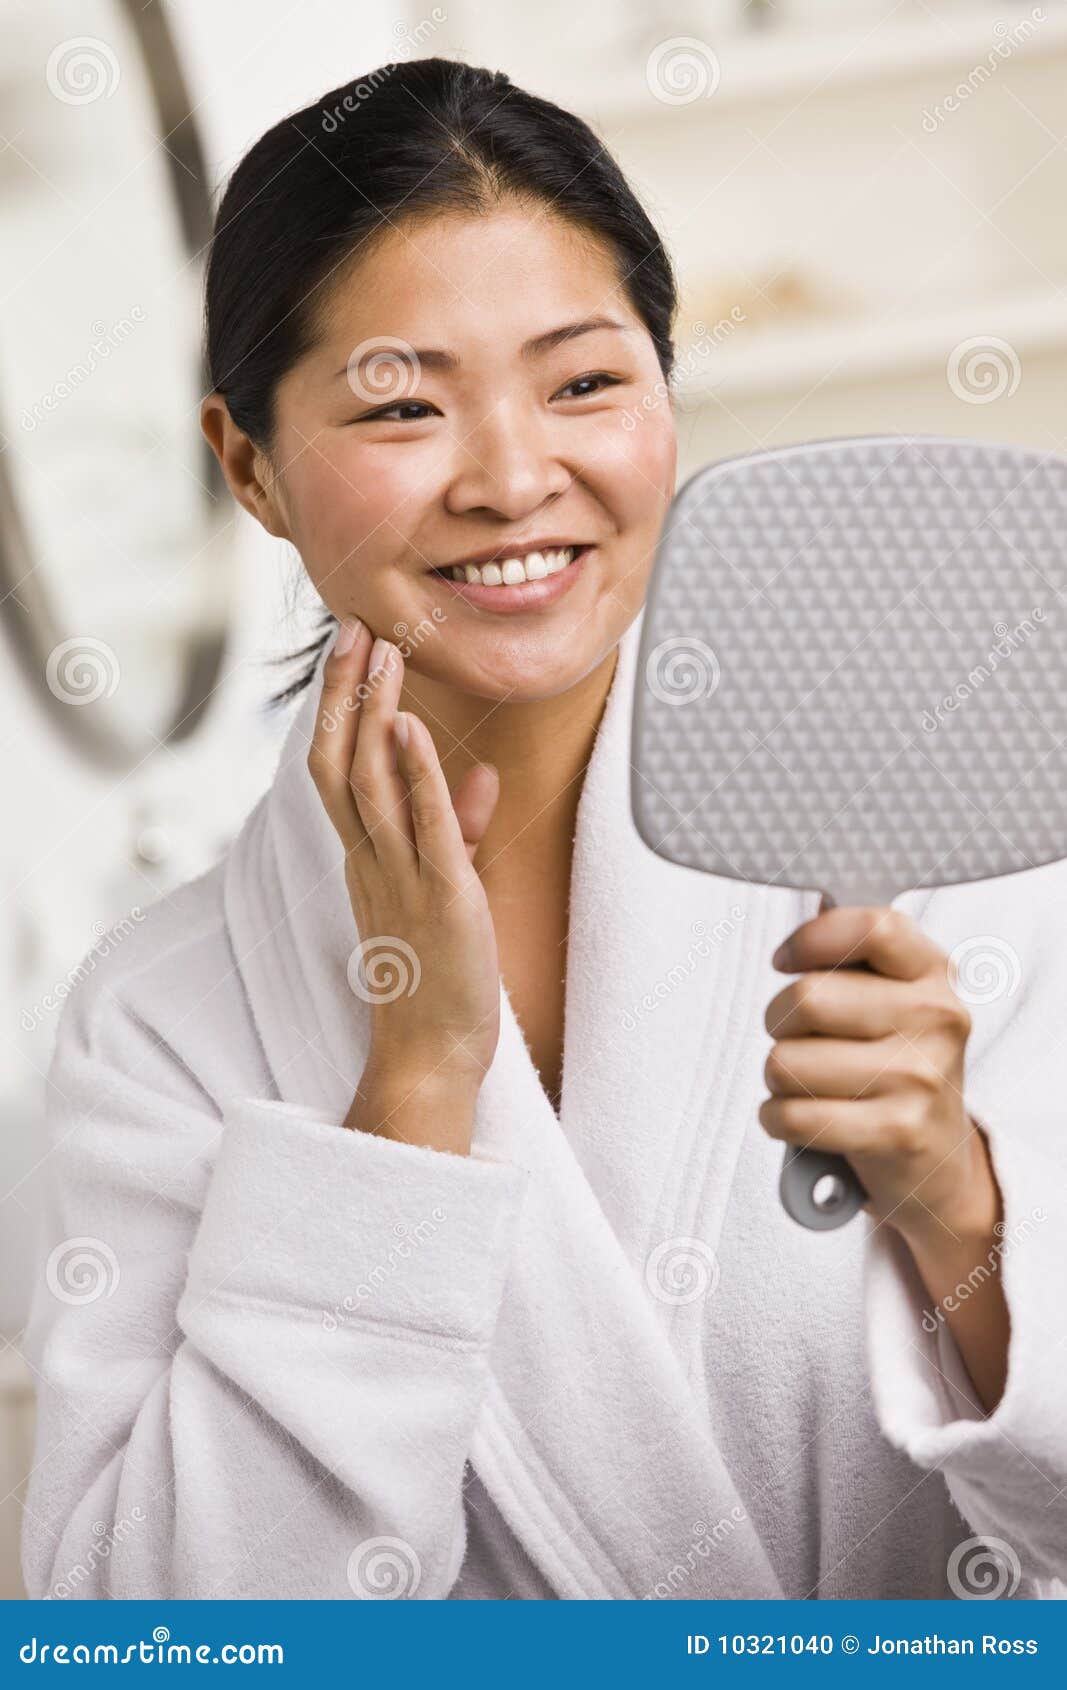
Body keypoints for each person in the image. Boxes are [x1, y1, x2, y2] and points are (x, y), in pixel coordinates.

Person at [21, 57, 1067, 1602]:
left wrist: (956, 1207)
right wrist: (416, 1082)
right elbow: (161, 1633)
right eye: (400, 404)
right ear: (247, 463)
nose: (516, 479)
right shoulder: (161, 1019)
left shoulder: (961, 864)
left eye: (586, 382)